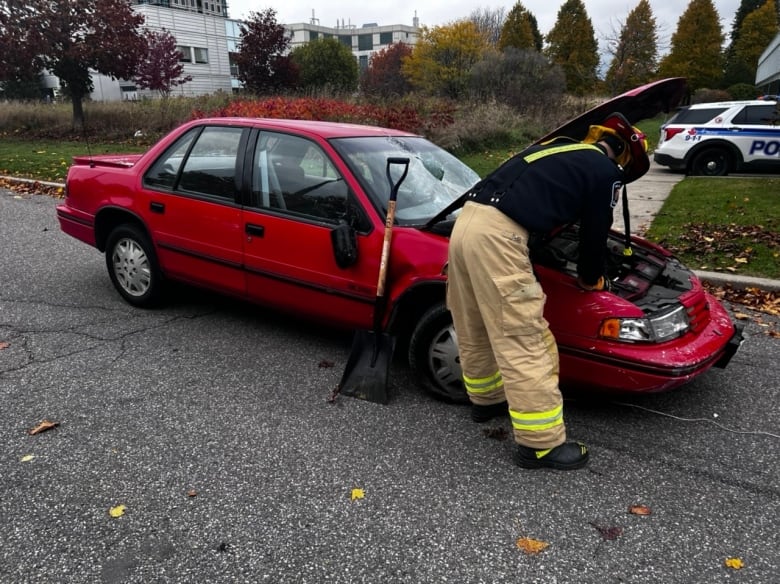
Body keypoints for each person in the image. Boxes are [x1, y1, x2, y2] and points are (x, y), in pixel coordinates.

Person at [446, 112, 649, 470]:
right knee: (525, 339)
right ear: (623, 158)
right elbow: (594, 235)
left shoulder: (558, 148)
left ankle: (486, 401)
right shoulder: (606, 173)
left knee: (473, 321)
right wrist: (591, 278)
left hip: (465, 225)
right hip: (500, 237)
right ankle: (540, 444)